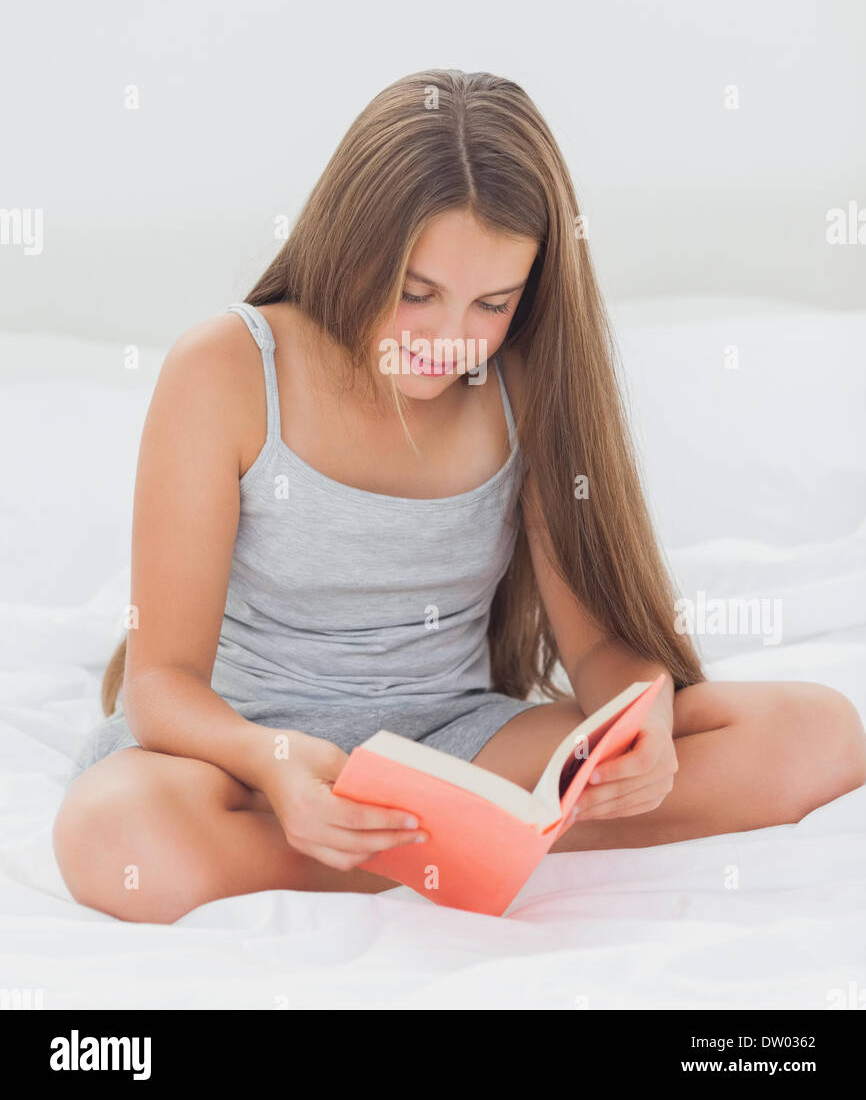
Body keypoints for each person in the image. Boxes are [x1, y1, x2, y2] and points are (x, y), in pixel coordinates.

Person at [52, 69, 866, 924]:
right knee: (114, 832)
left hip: (458, 745)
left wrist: (641, 723)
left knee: (819, 733)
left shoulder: (523, 385)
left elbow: (596, 654)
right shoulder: (224, 369)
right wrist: (277, 761)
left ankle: (417, 849)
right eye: (416, 293)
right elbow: (162, 683)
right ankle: (457, 854)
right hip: (253, 754)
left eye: (492, 303)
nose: (448, 341)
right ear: (351, 243)